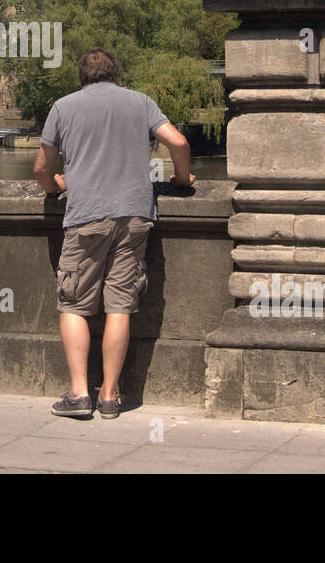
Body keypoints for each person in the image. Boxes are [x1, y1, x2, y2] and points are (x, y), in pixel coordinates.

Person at [33, 49, 194, 419]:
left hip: (86, 215)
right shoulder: (140, 102)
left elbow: (43, 167)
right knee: (120, 304)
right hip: (135, 213)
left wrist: (53, 186)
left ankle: (78, 395)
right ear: (115, 74)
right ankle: (108, 396)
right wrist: (183, 179)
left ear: (81, 77)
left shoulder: (63, 107)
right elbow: (179, 143)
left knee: (74, 303)